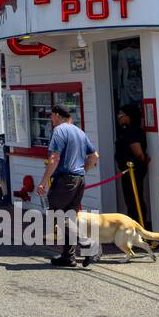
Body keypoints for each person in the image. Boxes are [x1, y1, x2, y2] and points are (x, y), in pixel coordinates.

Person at [37, 103, 100, 267]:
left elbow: (54, 158)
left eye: (51, 115)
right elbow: (94, 157)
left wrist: (43, 182)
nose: (51, 119)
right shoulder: (79, 132)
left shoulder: (59, 131)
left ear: (57, 115)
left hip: (65, 179)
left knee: (57, 215)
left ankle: (89, 246)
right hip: (79, 179)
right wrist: (82, 171)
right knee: (69, 217)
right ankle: (68, 256)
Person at [114, 103, 152, 229]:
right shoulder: (127, 130)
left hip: (132, 171)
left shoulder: (132, 131)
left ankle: (139, 227)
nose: (119, 117)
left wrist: (142, 161)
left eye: (121, 114)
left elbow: (138, 152)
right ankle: (134, 227)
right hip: (127, 170)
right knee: (131, 200)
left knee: (134, 200)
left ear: (129, 116)